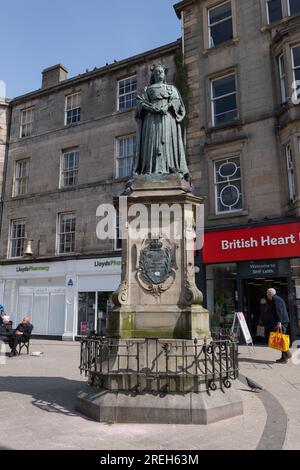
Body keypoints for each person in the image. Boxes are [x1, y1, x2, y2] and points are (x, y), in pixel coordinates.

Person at [133, 64, 190, 177]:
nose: (159, 73)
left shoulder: (171, 88)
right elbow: (141, 104)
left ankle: (170, 167)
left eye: (161, 71)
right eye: (157, 72)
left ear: (164, 74)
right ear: (153, 76)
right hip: (151, 121)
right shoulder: (147, 89)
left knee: (168, 143)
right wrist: (150, 108)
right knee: (152, 143)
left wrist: (167, 106)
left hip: (168, 119)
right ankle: (150, 169)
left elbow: (177, 102)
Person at [266, 288, 292, 364]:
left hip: (282, 322)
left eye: (267, 293)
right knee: (280, 339)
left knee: (281, 339)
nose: (267, 295)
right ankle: (284, 358)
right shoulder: (277, 298)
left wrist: (279, 322)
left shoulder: (275, 299)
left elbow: (279, 310)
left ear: (270, 293)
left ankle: (287, 354)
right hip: (283, 321)